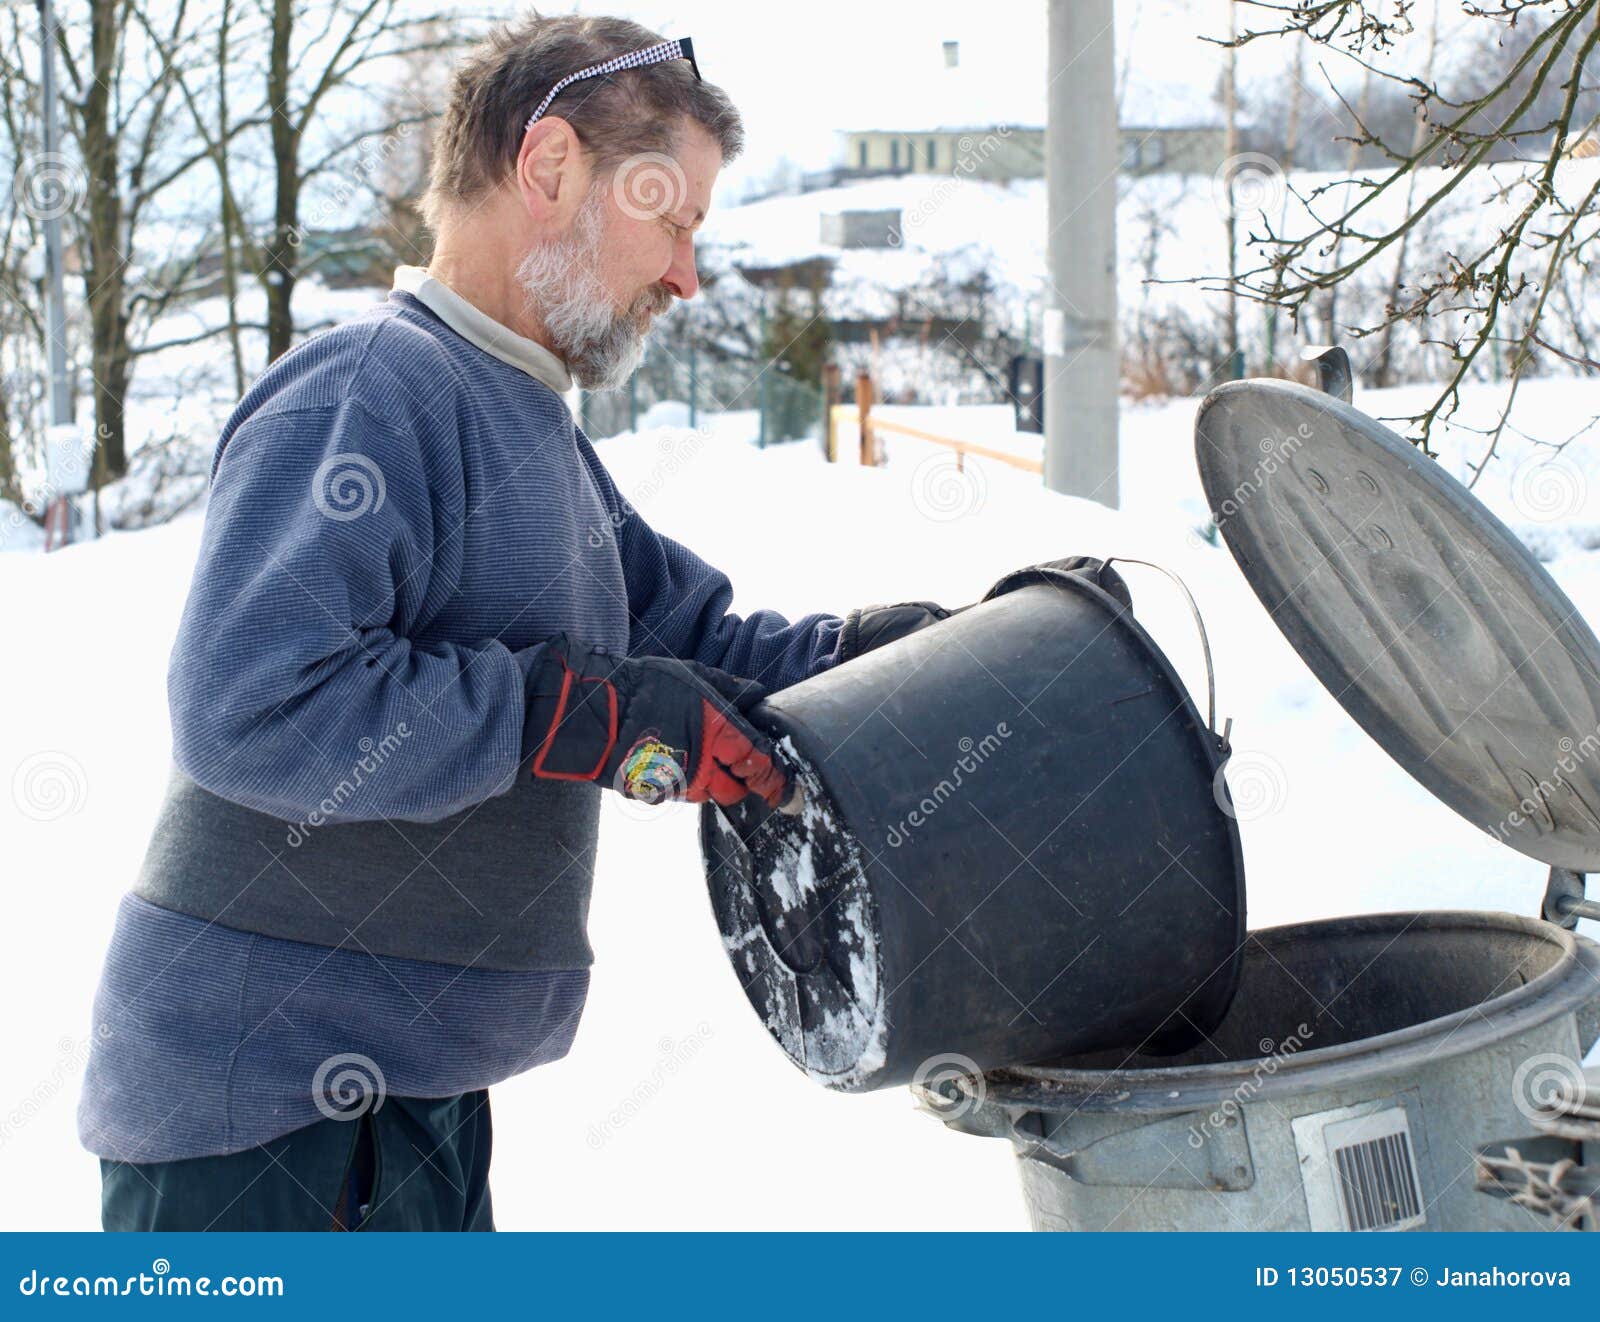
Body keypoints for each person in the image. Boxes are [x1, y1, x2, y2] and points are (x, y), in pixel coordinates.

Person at [77, 12, 1124, 1232]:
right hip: (262, 1117)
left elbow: (689, 645)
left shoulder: (525, 419)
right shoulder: (373, 386)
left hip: (402, 1096)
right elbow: (253, 703)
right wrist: (574, 713)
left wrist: (920, 657)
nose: (685, 273)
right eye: (672, 222)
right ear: (552, 167)